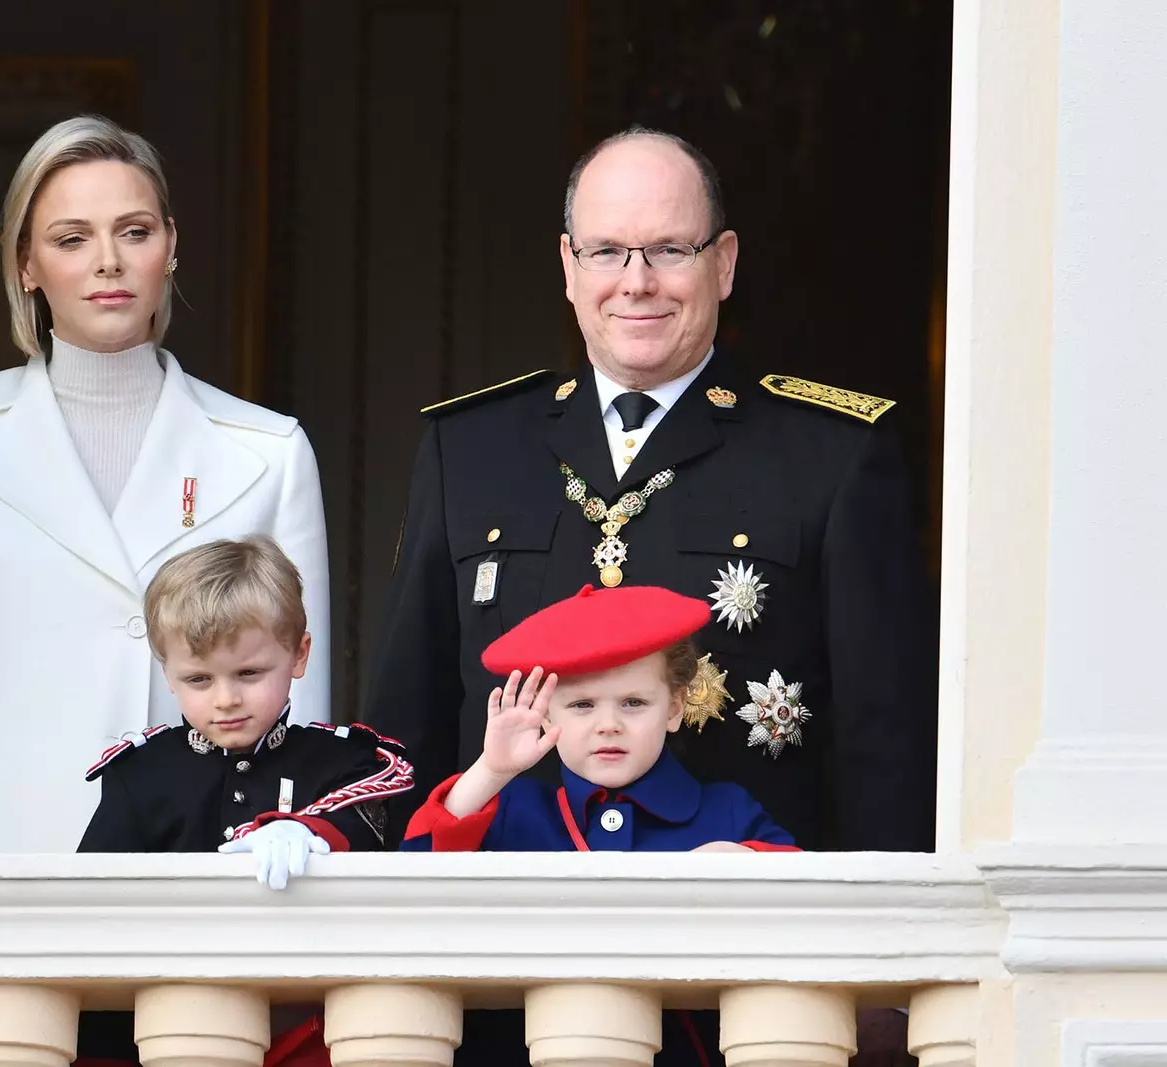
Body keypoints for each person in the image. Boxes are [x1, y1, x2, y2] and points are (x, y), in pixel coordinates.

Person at [0, 115, 330, 1067]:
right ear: (26, 263)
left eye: (134, 231)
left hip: (191, 922)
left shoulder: (267, 452)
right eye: (71, 238)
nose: (108, 261)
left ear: (170, 247)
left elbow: (298, 724)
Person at [365, 125, 934, 857]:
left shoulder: (832, 455)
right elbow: (405, 722)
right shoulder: (468, 449)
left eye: (670, 250)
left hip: (744, 934)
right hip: (507, 928)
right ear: (569, 266)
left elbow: (884, 742)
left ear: (723, 265)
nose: (636, 281)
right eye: (606, 251)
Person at [404, 583, 796, 1067]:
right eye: (582, 705)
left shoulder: (725, 811)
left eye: (633, 703)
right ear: (545, 713)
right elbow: (416, 875)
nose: (608, 724)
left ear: (674, 708)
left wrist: (746, 861)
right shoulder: (513, 807)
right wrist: (491, 770)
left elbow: (807, 893)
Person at [76, 536, 411, 1065]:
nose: (225, 698)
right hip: (169, 1029)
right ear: (167, 671)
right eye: (198, 679)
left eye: (249, 673)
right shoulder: (141, 774)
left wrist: (309, 830)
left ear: (299, 654)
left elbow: (375, 832)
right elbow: (92, 903)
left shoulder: (343, 762)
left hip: (310, 1033)